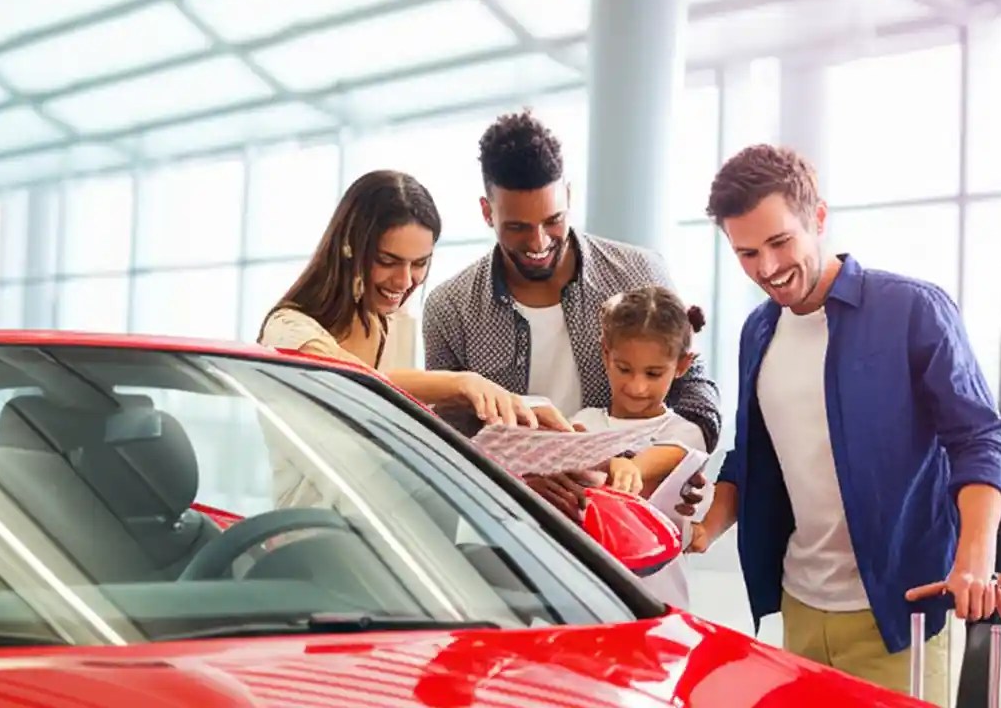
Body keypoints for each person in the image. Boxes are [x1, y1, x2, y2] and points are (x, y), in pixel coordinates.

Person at [687, 143, 1001, 704]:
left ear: (819, 217)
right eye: (746, 253)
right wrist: (699, 530)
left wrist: (975, 561)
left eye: (780, 241)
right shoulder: (757, 331)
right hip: (801, 607)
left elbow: (978, 438)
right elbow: (752, 458)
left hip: (901, 616)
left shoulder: (913, 310)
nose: (767, 269)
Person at [258, 168, 589, 512]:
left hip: (394, 533)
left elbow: (407, 447)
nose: (404, 281)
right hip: (311, 536)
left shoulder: (395, 323)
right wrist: (461, 383)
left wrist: (521, 453)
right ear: (348, 248)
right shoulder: (289, 328)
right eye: (388, 261)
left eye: (419, 264)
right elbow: (352, 383)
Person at [421, 110, 722, 452]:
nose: (539, 243)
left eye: (553, 220)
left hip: (625, 492)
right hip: (507, 499)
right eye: (518, 227)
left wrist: (675, 464)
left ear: (569, 195)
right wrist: (530, 479)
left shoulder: (639, 273)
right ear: (487, 212)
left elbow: (696, 393)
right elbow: (449, 441)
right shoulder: (449, 309)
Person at [568, 286, 713, 609]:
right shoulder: (585, 421)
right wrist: (611, 463)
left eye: (653, 373)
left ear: (682, 364)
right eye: (624, 369)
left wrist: (620, 465)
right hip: (586, 600)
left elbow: (663, 459)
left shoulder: (684, 432)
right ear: (606, 355)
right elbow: (572, 447)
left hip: (660, 601)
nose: (637, 386)